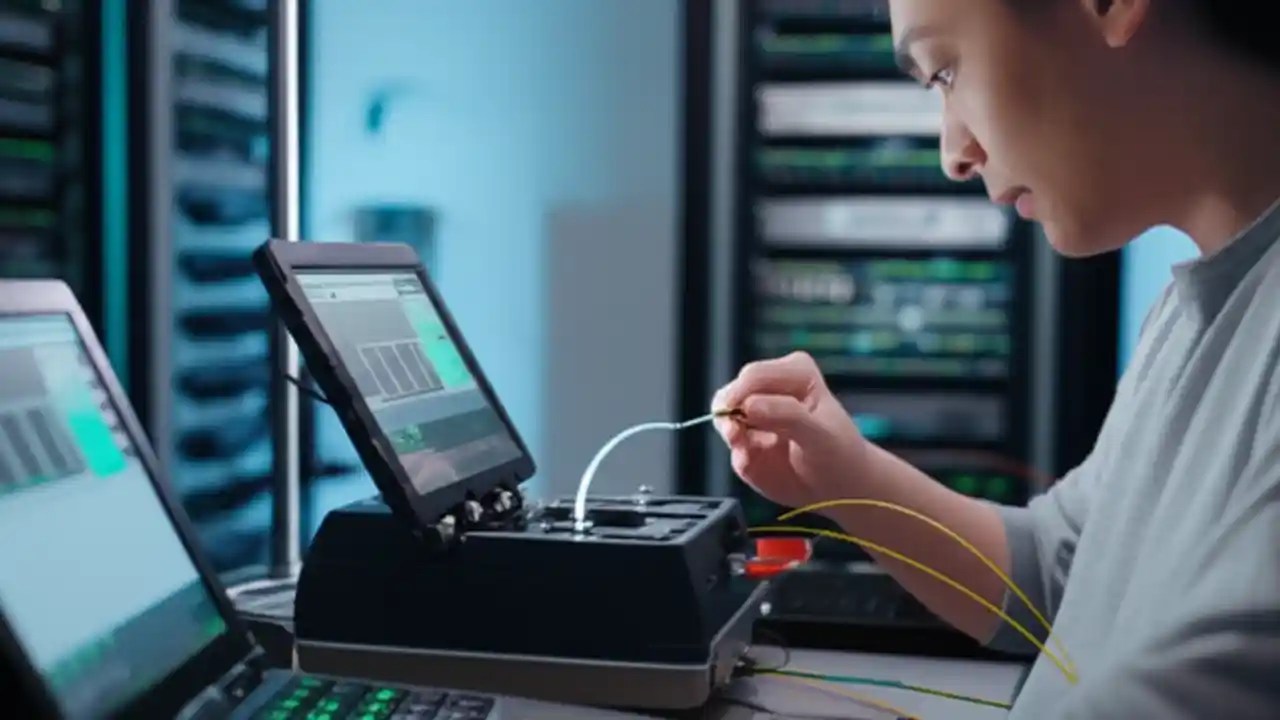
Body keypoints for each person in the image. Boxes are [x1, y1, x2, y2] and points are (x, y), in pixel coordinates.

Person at [712, 1, 1280, 718]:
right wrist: (844, 476)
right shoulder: (1195, 310)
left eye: (946, 69)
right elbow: (1055, 578)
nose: (955, 154)